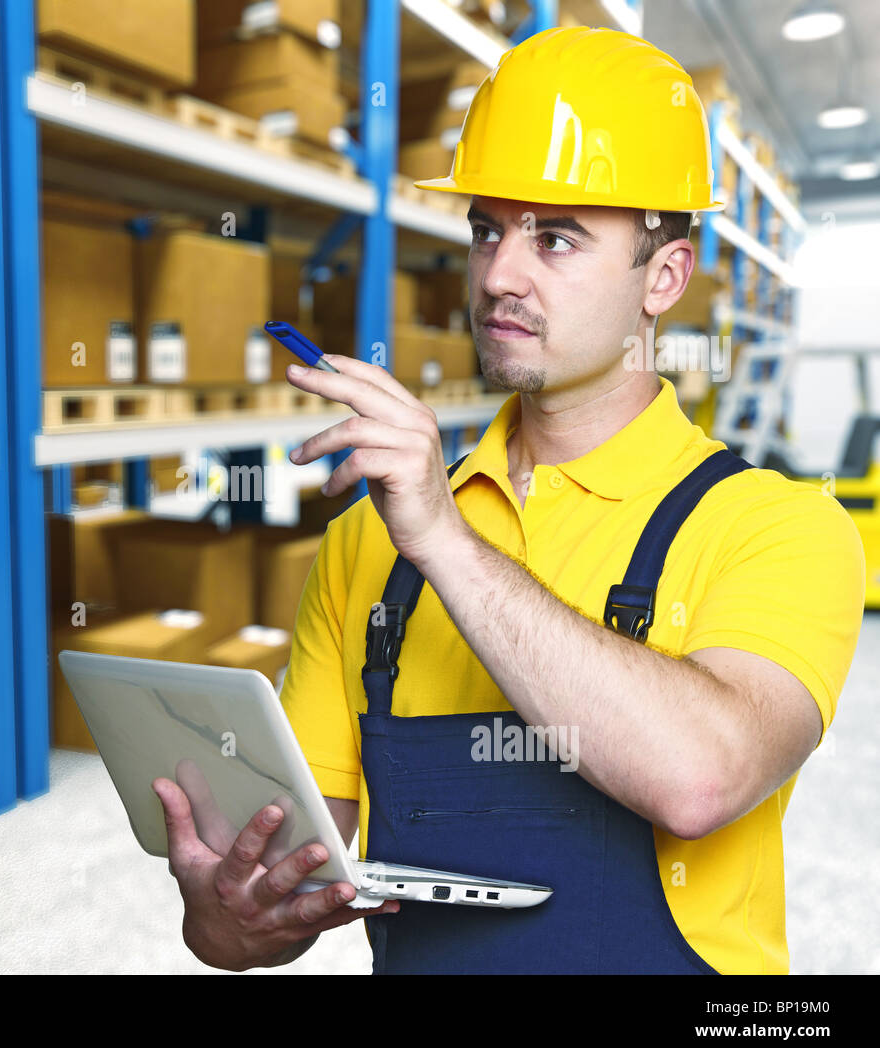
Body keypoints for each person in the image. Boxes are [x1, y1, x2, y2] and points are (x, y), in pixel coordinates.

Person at [153, 24, 865, 973]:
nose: (498, 275)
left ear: (666, 277)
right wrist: (232, 913)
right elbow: (280, 889)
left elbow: (702, 777)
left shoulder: (781, 527)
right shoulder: (370, 541)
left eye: (556, 238)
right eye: (487, 229)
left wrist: (446, 543)